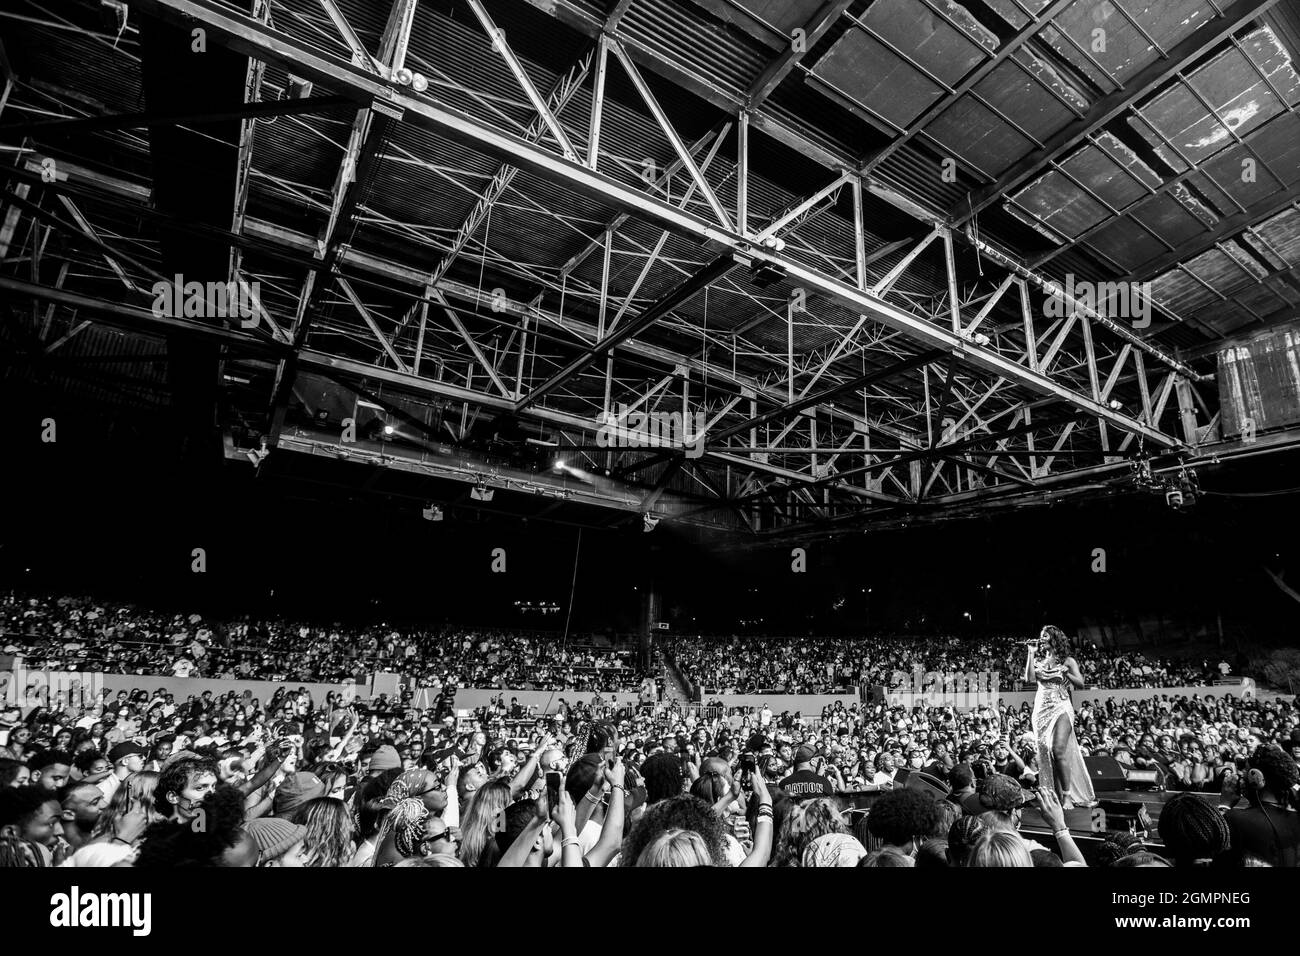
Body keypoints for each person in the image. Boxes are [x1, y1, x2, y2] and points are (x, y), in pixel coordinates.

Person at [1023, 625, 1096, 809]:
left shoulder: (1068, 660)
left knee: (1058, 749)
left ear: (1054, 638)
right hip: (1041, 710)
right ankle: (1052, 793)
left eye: (1045, 635)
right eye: (1040, 636)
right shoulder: (1038, 659)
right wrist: (1030, 653)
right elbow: (1030, 679)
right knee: (1046, 753)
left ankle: (1067, 796)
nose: (1041, 638)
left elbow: (1080, 683)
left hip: (1061, 705)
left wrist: (1066, 672)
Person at [1220, 745, 1300, 867]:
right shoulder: (1296, 817)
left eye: (1246, 771)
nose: (1241, 777)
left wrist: (1224, 806)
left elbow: (1215, 851)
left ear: (1256, 778)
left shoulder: (1236, 819)